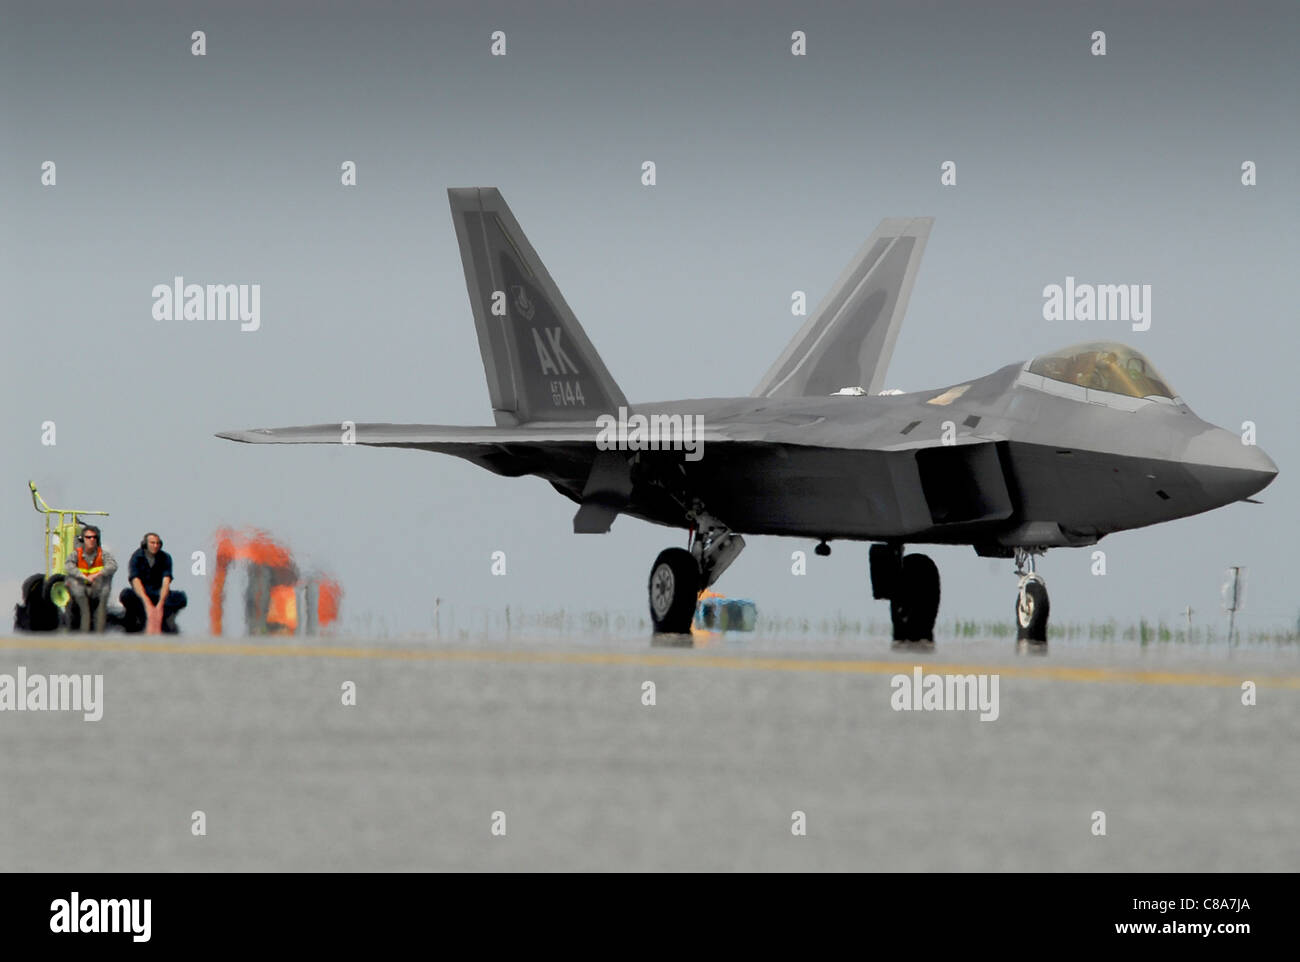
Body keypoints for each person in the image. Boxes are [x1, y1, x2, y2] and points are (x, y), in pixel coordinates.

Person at [119, 532, 187, 633]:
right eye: (152, 543)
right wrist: (147, 603)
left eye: (157, 543)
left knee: (181, 597)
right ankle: (133, 623)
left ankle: (166, 622)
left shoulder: (165, 557)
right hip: (141, 594)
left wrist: (160, 604)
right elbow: (135, 581)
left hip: (158, 593)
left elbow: (166, 581)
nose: (155, 546)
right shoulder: (137, 557)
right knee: (126, 595)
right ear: (145, 544)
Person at [64, 524, 117, 632]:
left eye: (94, 537)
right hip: (81, 587)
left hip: (97, 587)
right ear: (83, 539)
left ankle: (99, 632)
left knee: (104, 595)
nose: (92, 540)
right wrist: (83, 576)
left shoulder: (103, 554)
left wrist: (96, 575)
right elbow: (68, 566)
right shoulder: (76, 554)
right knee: (80, 599)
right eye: (88, 537)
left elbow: (112, 566)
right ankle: (84, 631)